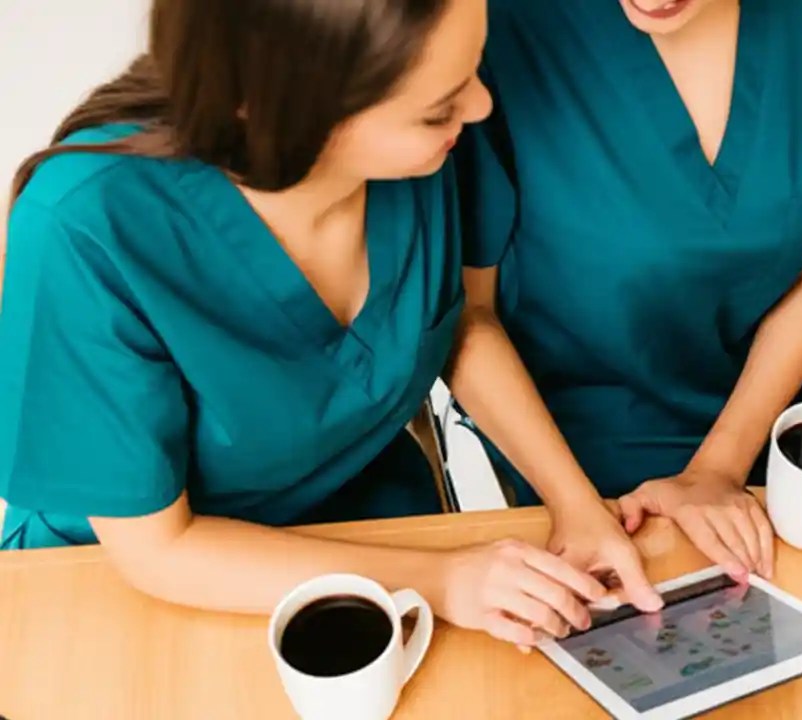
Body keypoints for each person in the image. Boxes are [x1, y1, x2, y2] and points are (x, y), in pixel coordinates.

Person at [0, 0, 613, 648]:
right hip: (124, 583)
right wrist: (443, 581)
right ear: (299, 114)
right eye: (439, 104)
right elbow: (157, 551)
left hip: (368, 528)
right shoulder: (87, 225)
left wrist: (575, 504)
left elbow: (459, 325)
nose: (483, 106)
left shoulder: (427, 149)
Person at [449, 0, 802, 592]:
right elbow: (467, 316)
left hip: (776, 430)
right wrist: (576, 504)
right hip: (583, 462)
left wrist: (720, 466)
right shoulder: (497, 26)